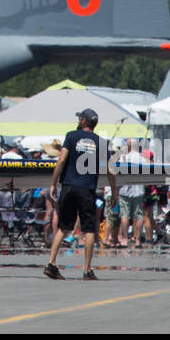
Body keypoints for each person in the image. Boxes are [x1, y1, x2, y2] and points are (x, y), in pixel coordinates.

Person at [44, 109, 116, 280]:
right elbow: (110, 170)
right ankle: (87, 270)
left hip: (69, 186)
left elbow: (61, 160)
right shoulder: (101, 142)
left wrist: (53, 183)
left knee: (64, 226)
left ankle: (51, 264)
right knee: (89, 229)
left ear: (83, 121)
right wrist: (114, 192)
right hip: (87, 188)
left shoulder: (71, 136)